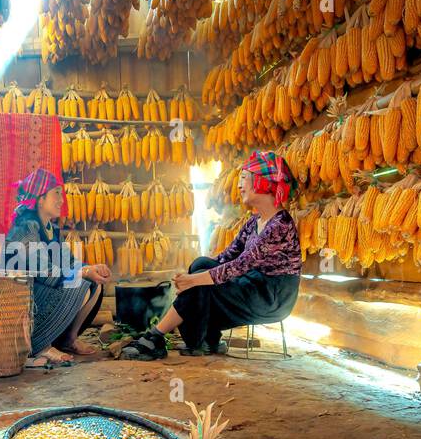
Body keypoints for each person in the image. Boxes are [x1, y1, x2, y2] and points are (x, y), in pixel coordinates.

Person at [123, 150, 301, 360]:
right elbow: (227, 257)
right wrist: (196, 274)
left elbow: (241, 265)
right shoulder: (254, 222)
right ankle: (206, 339)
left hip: (271, 296)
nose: (239, 185)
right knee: (202, 263)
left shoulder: (280, 225)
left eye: (244, 179)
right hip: (252, 285)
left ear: (263, 183)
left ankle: (156, 337)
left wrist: (194, 281)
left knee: (200, 283)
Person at [3, 167, 110, 366]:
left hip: (44, 285)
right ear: (40, 199)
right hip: (22, 295)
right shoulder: (25, 227)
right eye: (56, 194)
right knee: (78, 285)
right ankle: (40, 344)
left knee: (93, 284)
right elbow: (41, 269)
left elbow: (68, 262)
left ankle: (68, 340)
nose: (62, 200)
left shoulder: (51, 229)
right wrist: (82, 272)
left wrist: (90, 268)